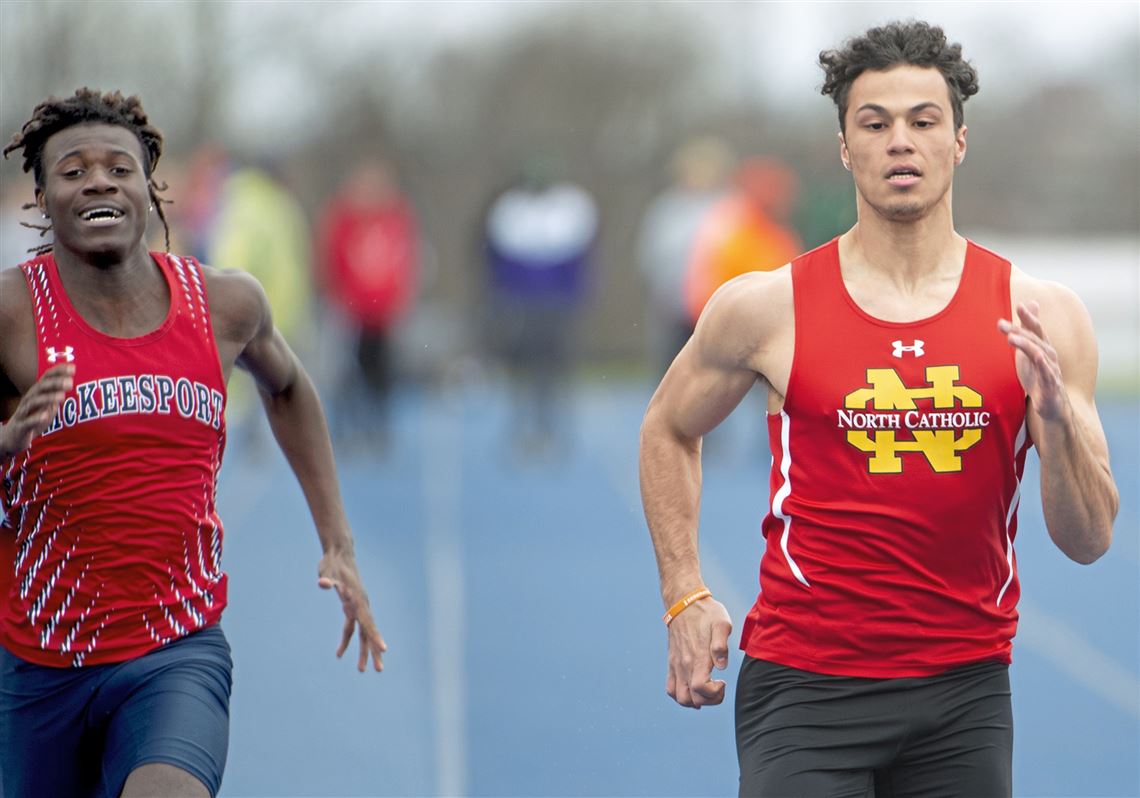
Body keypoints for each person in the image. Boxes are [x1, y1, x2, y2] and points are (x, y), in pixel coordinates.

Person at [639, 21, 1119, 797]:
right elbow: (667, 427)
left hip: (965, 694)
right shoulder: (768, 308)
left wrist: (1059, 427)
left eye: (923, 121)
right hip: (804, 687)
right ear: (845, 148)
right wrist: (684, 595)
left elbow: (1089, 540)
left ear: (958, 141)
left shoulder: (1041, 317)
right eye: (875, 123)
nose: (902, 141)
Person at [0, 89, 386, 798]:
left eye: (119, 168)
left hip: (174, 649)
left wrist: (338, 540)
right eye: (73, 170)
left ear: (152, 187)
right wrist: (5, 442)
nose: (98, 182)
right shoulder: (13, 315)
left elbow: (290, 388)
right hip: (41, 663)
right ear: (43, 196)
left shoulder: (226, 304)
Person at [316, 158, 419, 448]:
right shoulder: (343, 218)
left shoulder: (396, 217)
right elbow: (331, 259)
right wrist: (336, 297)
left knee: (381, 373)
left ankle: (378, 428)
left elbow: (405, 259)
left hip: (383, 312)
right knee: (344, 373)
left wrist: (401, 300)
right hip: (349, 309)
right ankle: (344, 430)